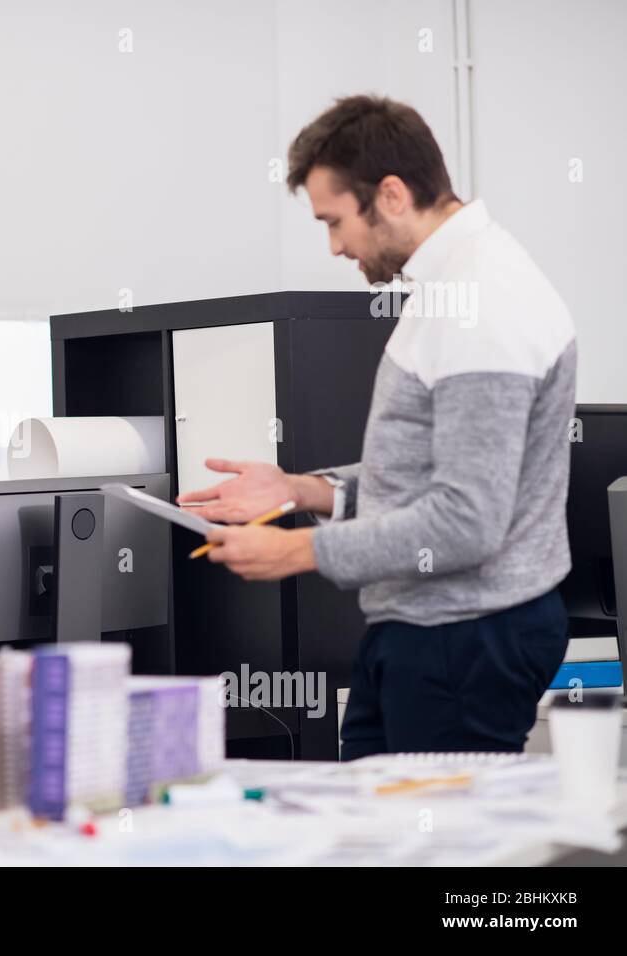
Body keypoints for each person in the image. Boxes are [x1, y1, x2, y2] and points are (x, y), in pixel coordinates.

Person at [179, 95, 575, 757]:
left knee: (426, 823)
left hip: (464, 635)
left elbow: (466, 519)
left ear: (391, 195)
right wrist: (301, 491)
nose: (335, 246)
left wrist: (296, 553)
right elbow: (428, 473)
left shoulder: (483, 303)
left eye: (335, 222)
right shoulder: (449, 288)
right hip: (425, 627)